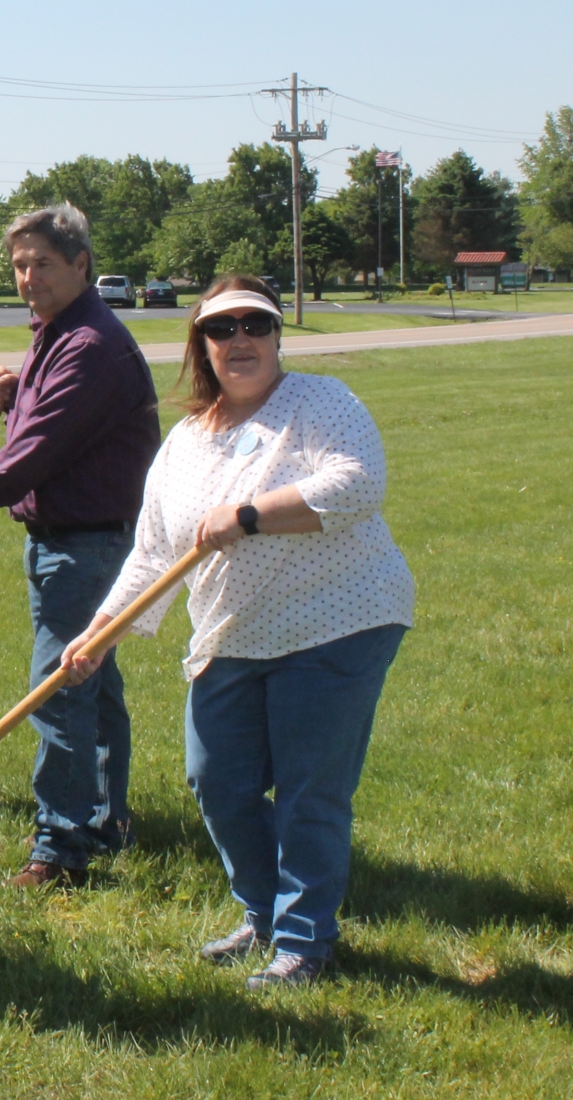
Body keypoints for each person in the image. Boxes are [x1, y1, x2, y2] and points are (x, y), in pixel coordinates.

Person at [61, 274, 415, 988]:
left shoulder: (321, 401)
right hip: (232, 632)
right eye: (221, 329)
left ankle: (305, 942)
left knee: (309, 788)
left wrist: (249, 513)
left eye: (255, 324)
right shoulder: (187, 439)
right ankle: (261, 914)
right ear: (202, 345)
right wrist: (101, 630)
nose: (239, 339)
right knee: (216, 780)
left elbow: (358, 483)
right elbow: (155, 552)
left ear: (278, 334)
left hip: (337, 619)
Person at [0, 204, 160, 890]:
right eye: (20, 266)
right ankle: (106, 819)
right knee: (97, 687)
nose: (28, 277)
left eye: (43, 264)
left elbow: (41, 446)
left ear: (81, 265)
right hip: (84, 539)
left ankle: (60, 848)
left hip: (84, 546)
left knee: (58, 690)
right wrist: (16, 388)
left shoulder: (87, 344)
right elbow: (47, 416)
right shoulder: (59, 334)